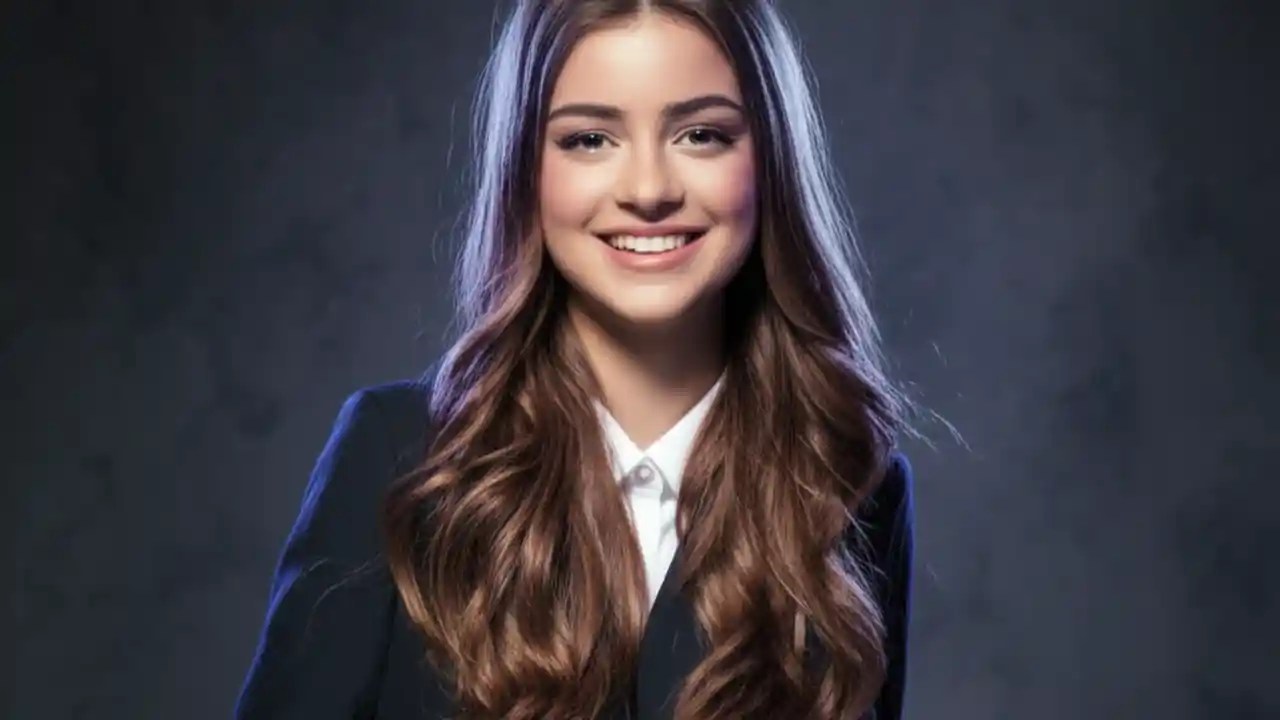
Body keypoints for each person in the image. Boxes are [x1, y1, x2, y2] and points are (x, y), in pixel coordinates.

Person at [236, 0, 917, 718]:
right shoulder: (399, 458)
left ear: (770, 159)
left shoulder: (848, 480)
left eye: (701, 134)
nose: (648, 190)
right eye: (590, 139)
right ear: (526, 167)